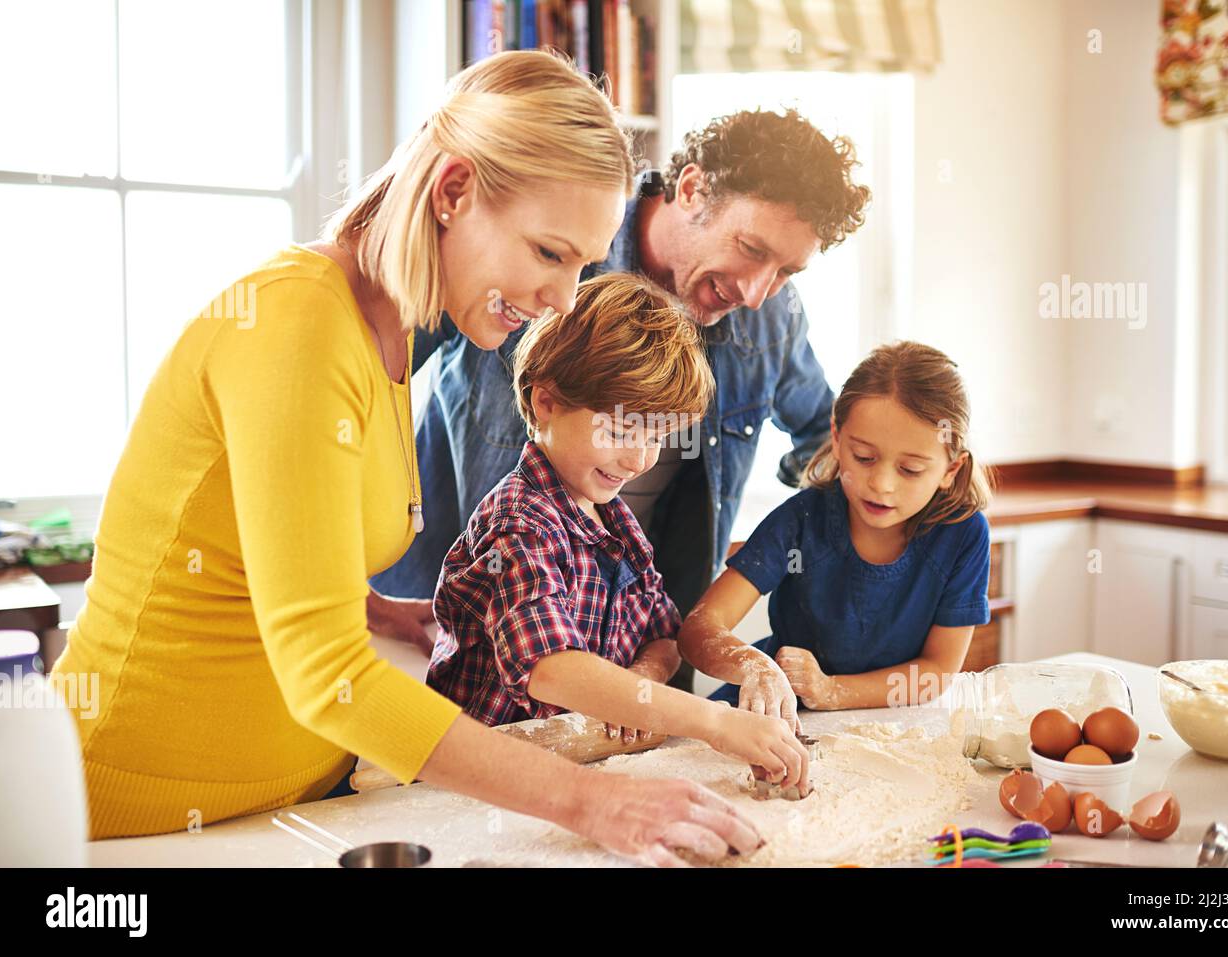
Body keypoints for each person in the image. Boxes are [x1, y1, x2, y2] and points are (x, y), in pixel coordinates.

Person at [51, 50, 761, 867]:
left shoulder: (384, 335)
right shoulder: (294, 324)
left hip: (299, 805)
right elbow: (325, 672)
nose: (562, 300)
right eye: (548, 253)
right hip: (138, 821)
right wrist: (596, 802)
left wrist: (399, 611)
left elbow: (287, 559)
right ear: (454, 191)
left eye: (583, 265)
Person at [371, 110, 873, 685]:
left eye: (786, 271)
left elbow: (823, 442)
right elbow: (364, 378)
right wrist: (357, 598)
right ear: (691, 189)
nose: (758, 292)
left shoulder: (772, 320)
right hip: (463, 644)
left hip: (644, 655)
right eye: (752, 248)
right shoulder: (554, 251)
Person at [428, 274, 811, 793]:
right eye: (623, 429)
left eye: (657, 436)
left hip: (580, 773)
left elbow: (664, 637)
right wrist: (717, 723)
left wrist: (644, 682)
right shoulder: (518, 522)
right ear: (546, 403)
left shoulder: (617, 522)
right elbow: (552, 670)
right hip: (480, 781)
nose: (639, 459)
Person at [677, 342, 993, 723]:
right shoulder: (801, 521)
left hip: (894, 719)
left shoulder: (963, 535)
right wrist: (752, 666)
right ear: (837, 439)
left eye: (910, 469)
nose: (881, 484)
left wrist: (830, 691)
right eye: (864, 457)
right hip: (780, 711)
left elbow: (938, 669)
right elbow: (698, 629)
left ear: (950, 470)